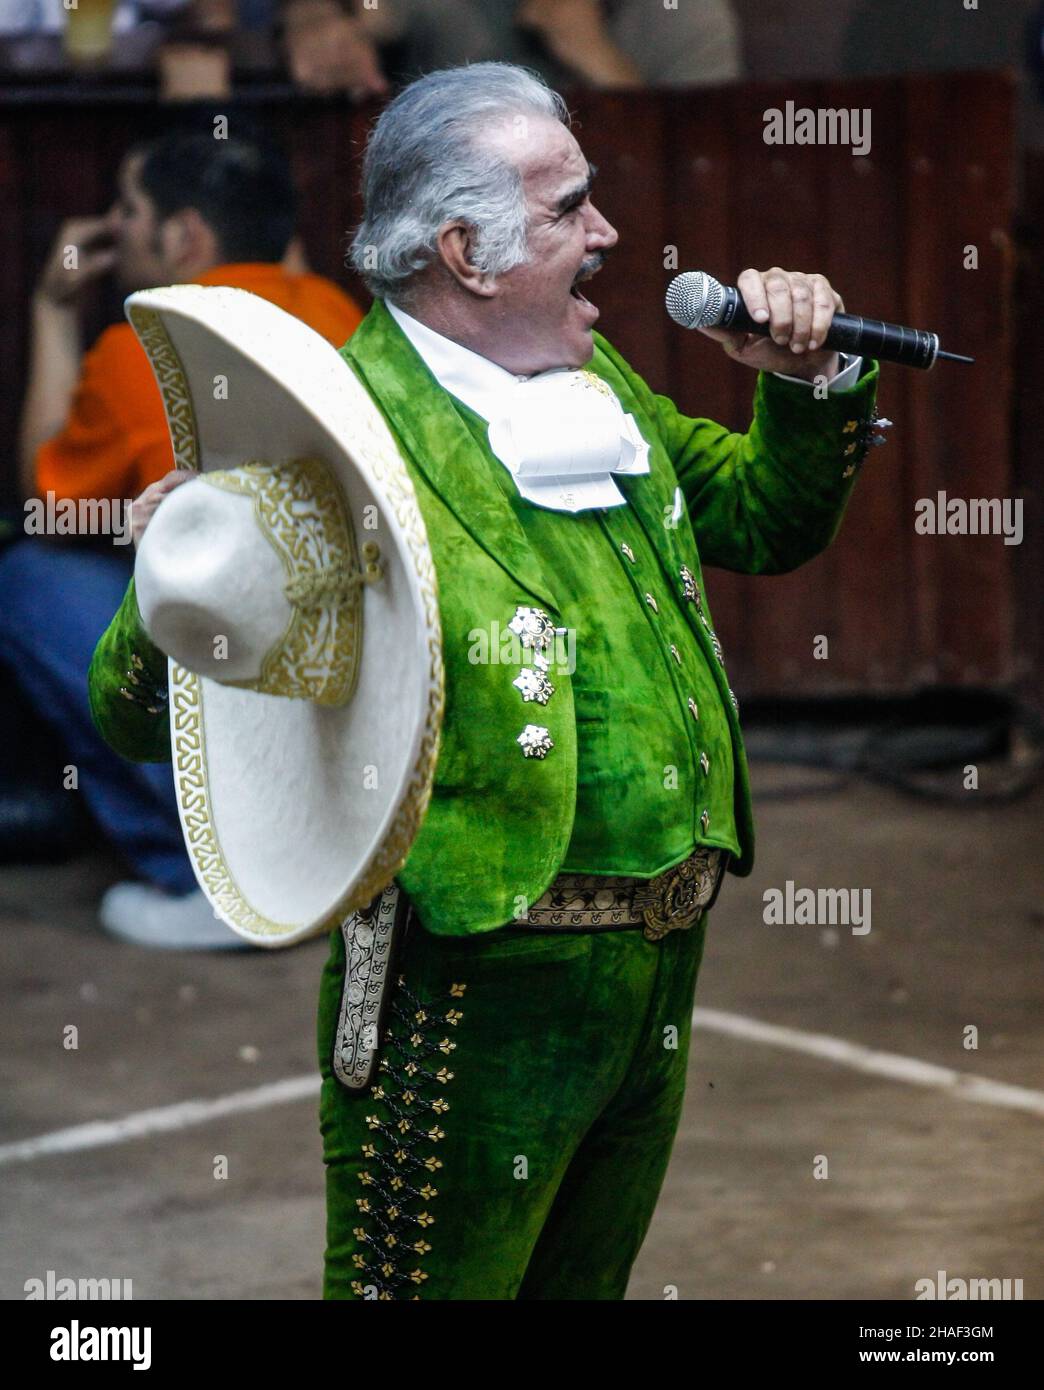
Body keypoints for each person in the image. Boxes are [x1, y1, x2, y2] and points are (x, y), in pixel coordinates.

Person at [87, 63, 886, 1297]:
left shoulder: (595, 382)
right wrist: (174, 585)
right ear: (466, 249)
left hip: (656, 971)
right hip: (467, 1002)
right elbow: (132, 715)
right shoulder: (339, 441)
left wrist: (805, 379)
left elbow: (763, 519)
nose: (609, 234)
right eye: (571, 209)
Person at [1, 125, 364, 950]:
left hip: (254, 697)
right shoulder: (341, 311)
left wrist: (50, 311)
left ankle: (204, 870)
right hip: (363, 700)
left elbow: (50, 508)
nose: (113, 227)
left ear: (185, 235)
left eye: (129, 209)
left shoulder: (142, 349)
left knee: (26, 577)